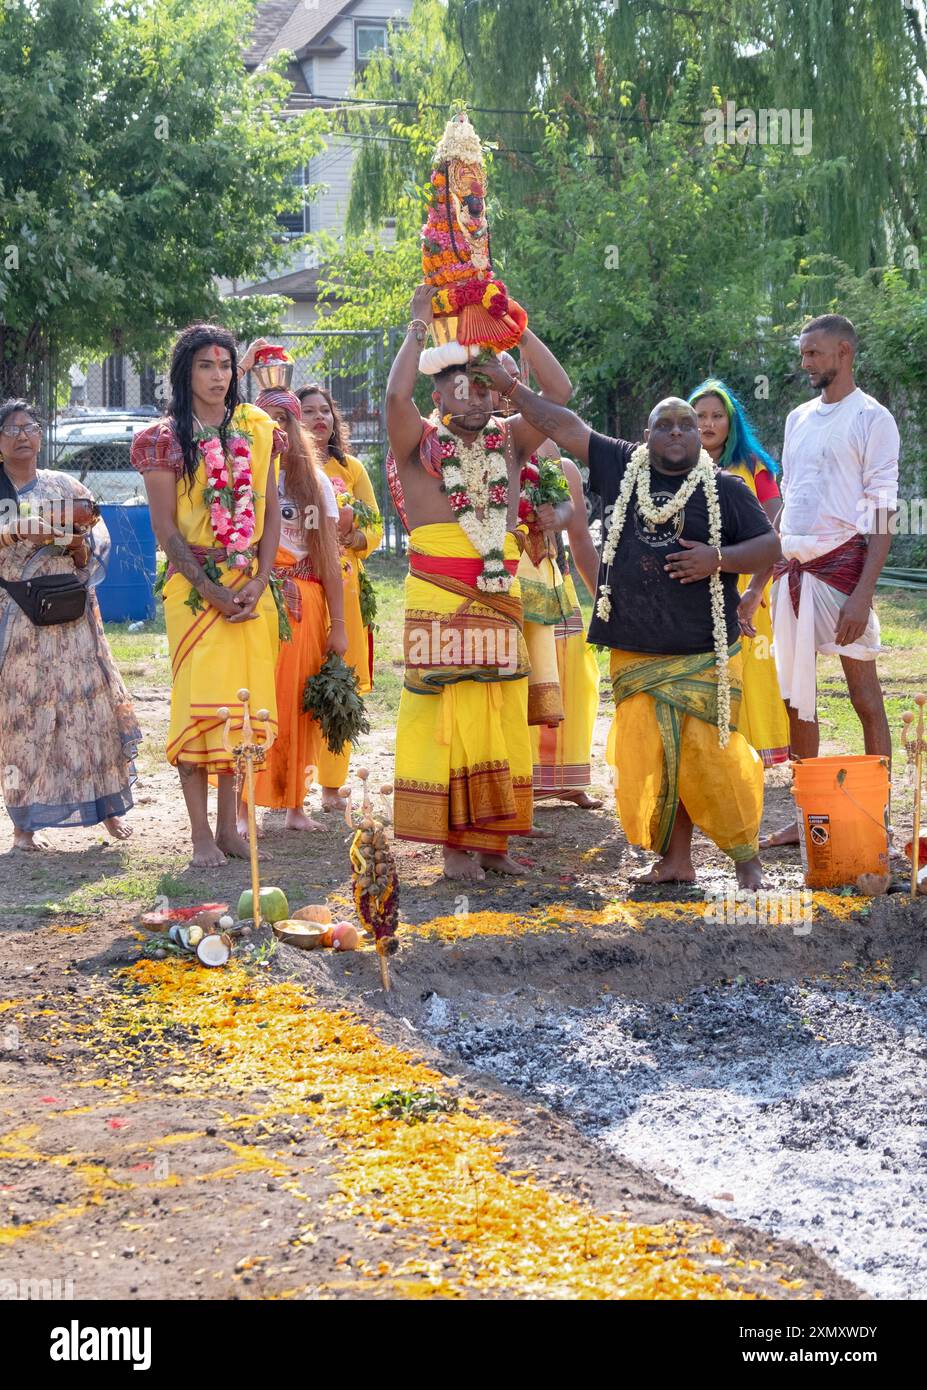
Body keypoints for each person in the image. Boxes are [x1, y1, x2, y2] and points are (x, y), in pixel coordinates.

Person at [477, 359, 782, 888]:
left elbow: (770, 547)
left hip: (703, 650)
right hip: (636, 648)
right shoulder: (624, 465)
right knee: (656, 759)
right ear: (646, 435)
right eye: (665, 425)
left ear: (701, 438)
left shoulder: (726, 489)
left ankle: (746, 860)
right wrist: (509, 386)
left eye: (687, 425)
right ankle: (676, 861)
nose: (677, 432)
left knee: (713, 759)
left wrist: (717, 559)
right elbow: (564, 425)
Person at [384, 285, 573, 880]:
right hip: (438, 593)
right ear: (438, 394)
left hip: (499, 591)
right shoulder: (417, 443)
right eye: (461, 388)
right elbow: (393, 395)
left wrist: (515, 329)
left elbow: (560, 395)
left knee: (499, 707)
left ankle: (493, 842)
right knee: (446, 711)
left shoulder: (512, 438)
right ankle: (452, 846)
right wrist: (418, 325)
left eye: (484, 387)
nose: (474, 398)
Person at [131, 325, 284, 868]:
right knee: (198, 705)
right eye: (205, 366)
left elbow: (270, 511)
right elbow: (165, 528)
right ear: (185, 372)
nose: (218, 377)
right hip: (194, 589)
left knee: (240, 708)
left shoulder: (258, 431)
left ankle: (228, 828)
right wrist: (208, 588)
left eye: (225, 366)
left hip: (249, 586)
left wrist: (260, 580)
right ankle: (199, 835)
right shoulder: (163, 439)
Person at [747, 314, 899, 848]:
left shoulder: (873, 418)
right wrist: (757, 585)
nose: (805, 362)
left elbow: (882, 511)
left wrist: (863, 595)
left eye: (814, 353)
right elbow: (787, 505)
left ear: (844, 352)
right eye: (803, 353)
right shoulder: (797, 418)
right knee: (797, 699)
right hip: (792, 569)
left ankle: (878, 816)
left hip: (843, 570)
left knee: (864, 696)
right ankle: (805, 813)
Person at [0, 399, 139, 849]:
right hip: (18, 618)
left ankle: (107, 809)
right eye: (12, 429)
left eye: (30, 426)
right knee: (25, 717)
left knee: (90, 709)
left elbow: (95, 541)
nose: (23, 435)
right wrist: (17, 531)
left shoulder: (64, 485)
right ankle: (24, 826)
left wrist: (76, 545)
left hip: (72, 617)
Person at [242, 388, 347, 830]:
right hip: (254, 595)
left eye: (283, 420)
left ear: (295, 427)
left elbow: (327, 558)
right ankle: (242, 808)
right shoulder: (240, 474)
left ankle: (295, 805)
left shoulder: (315, 483)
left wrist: (339, 624)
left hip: (304, 601)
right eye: (266, 421)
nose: (276, 430)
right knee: (253, 698)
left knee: (298, 701)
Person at [688, 380, 791, 767]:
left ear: (732, 422)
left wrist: (758, 586)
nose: (708, 424)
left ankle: (753, 752)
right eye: (700, 416)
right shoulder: (677, 465)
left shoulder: (752, 466)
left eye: (717, 416)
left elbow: (776, 527)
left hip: (748, 581)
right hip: (696, 581)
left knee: (752, 662)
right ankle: (711, 754)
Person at [297, 383, 382, 810]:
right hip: (298, 582)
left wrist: (354, 536)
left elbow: (375, 525)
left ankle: (332, 786)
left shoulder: (351, 469)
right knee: (296, 679)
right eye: (309, 411)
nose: (319, 418)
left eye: (325, 410)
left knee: (338, 681)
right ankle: (292, 784)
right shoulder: (282, 468)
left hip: (345, 585)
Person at [530, 447, 603, 808]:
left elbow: (580, 539)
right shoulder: (483, 450)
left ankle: (569, 780)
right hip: (505, 584)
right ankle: (520, 780)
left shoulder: (561, 465)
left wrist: (605, 603)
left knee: (573, 676)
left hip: (554, 582)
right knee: (522, 680)